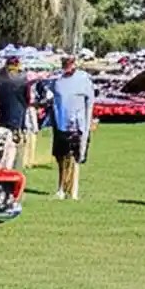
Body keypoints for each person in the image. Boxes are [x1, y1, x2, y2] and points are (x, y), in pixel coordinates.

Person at [51, 55, 95, 200]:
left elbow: (90, 103)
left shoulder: (83, 80)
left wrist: (87, 124)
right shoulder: (58, 82)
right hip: (61, 125)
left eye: (69, 64)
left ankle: (74, 190)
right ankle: (61, 188)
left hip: (78, 125)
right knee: (61, 158)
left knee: (76, 158)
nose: (67, 67)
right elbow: (55, 103)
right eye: (65, 64)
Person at [0, 56, 29, 170]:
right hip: (17, 120)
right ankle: (8, 171)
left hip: (2, 118)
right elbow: (27, 100)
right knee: (12, 149)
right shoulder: (23, 80)